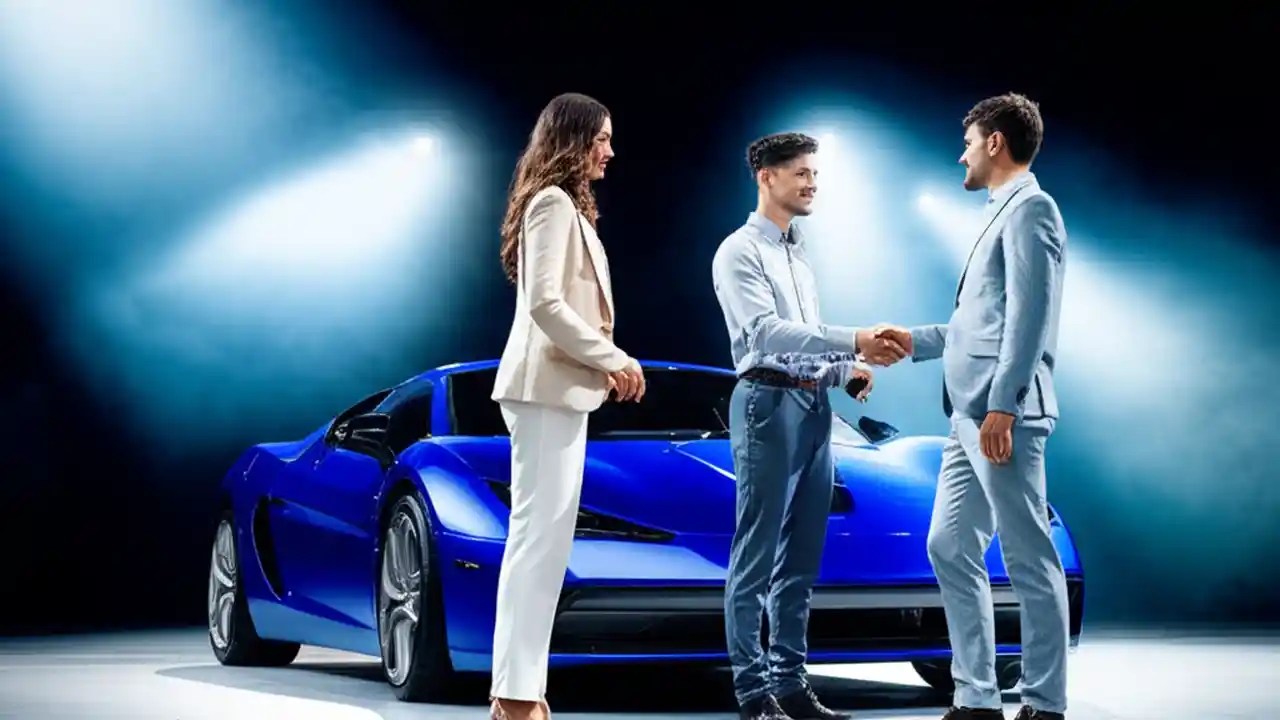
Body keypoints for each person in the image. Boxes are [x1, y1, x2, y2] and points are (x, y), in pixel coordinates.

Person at [875, 93, 1070, 720]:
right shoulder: (1000, 211)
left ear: (994, 143)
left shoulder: (1032, 209)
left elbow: (1030, 317)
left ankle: (1043, 702)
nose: (960, 152)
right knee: (949, 545)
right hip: (966, 417)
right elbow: (979, 324)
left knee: (1028, 556)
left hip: (999, 416)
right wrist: (917, 342)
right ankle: (976, 698)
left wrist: (1005, 407)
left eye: (967, 140)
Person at [711, 131, 908, 720]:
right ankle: (752, 693)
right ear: (765, 177)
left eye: (815, 174)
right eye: (801, 173)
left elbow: (806, 338)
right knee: (757, 553)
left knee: (801, 556)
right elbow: (766, 335)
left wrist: (845, 368)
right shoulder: (738, 251)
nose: (812, 183)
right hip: (765, 406)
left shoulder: (798, 255)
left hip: (814, 407)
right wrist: (852, 340)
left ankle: (790, 685)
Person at [489, 92, 646, 720]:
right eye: (601, 138)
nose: (610, 150)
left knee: (544, 544)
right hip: (543, 390)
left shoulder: (562, 206)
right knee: (536, 544)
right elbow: (546, 307)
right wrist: (612, 358)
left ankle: (521, 692)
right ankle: (516, 696)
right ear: (574, 139)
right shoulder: (551, 204)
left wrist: (597, 365)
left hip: (557, 391)